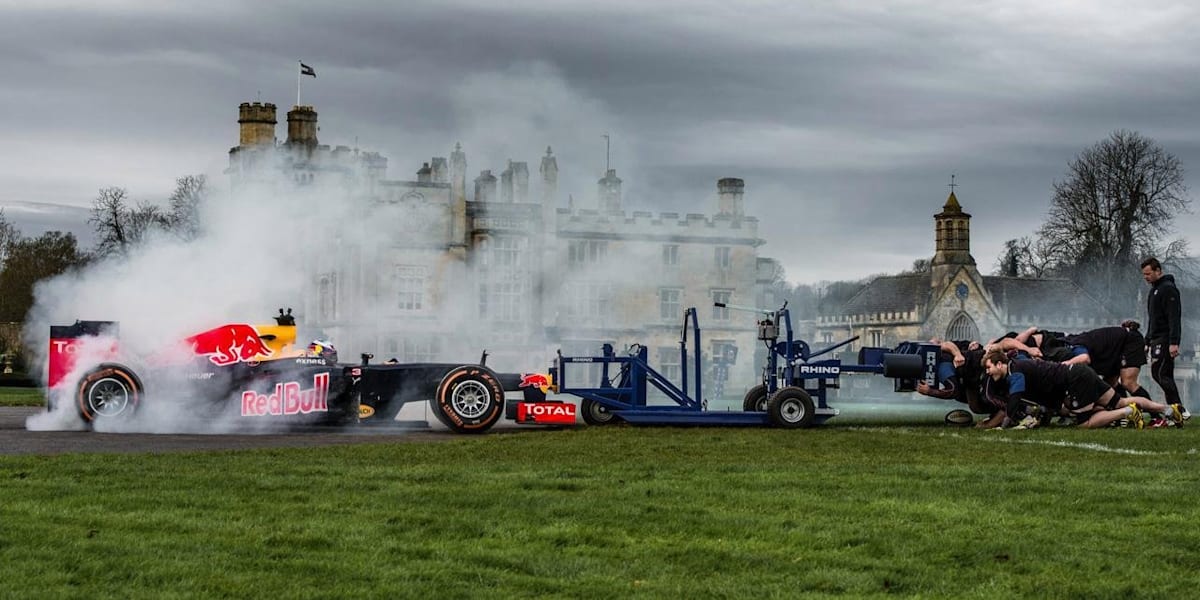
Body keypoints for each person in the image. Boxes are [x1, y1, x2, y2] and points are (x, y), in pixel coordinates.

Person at [981, 348, 1182, 429]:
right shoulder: (1019, 363)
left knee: (1084, 422)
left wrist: (1004, 425)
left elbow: (1015, 399)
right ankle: (1168, 409)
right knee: (1118, 400)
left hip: (1075, 379)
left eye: (989, 367)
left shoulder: (1015, 371)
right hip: (1080, 372)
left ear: (999, 364)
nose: (988, 372)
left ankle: (1128, 413)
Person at [1141, 257, 1189, 420]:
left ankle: (1179, 410)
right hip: (1156, 339)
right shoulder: (1153, 291)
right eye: (1144, 274)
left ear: (1158, 271)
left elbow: (1174, 317)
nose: (1146, 277)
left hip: (1165, 339)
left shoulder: (1168, 289)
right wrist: (1147, 340)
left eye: (1148, 274)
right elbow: (1153, 319)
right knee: (1160, 374)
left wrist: (1174, 342)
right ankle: (1175, 411)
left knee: (1161, 373)